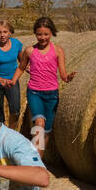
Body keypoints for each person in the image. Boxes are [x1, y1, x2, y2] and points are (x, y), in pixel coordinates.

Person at [17, 16, 74, 153]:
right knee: (39, 124)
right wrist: (13, 80)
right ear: (35, 34)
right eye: (39, 34)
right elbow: (21, 67)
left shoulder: (58, 50)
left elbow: (63, 75)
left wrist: (68, 77)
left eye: (46, 34)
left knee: (46, 132)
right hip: (35, 93)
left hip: (52, 95)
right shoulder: (30, 51)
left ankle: (38, 161)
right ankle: (35, 162)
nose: (42, 37)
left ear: (51, 33)